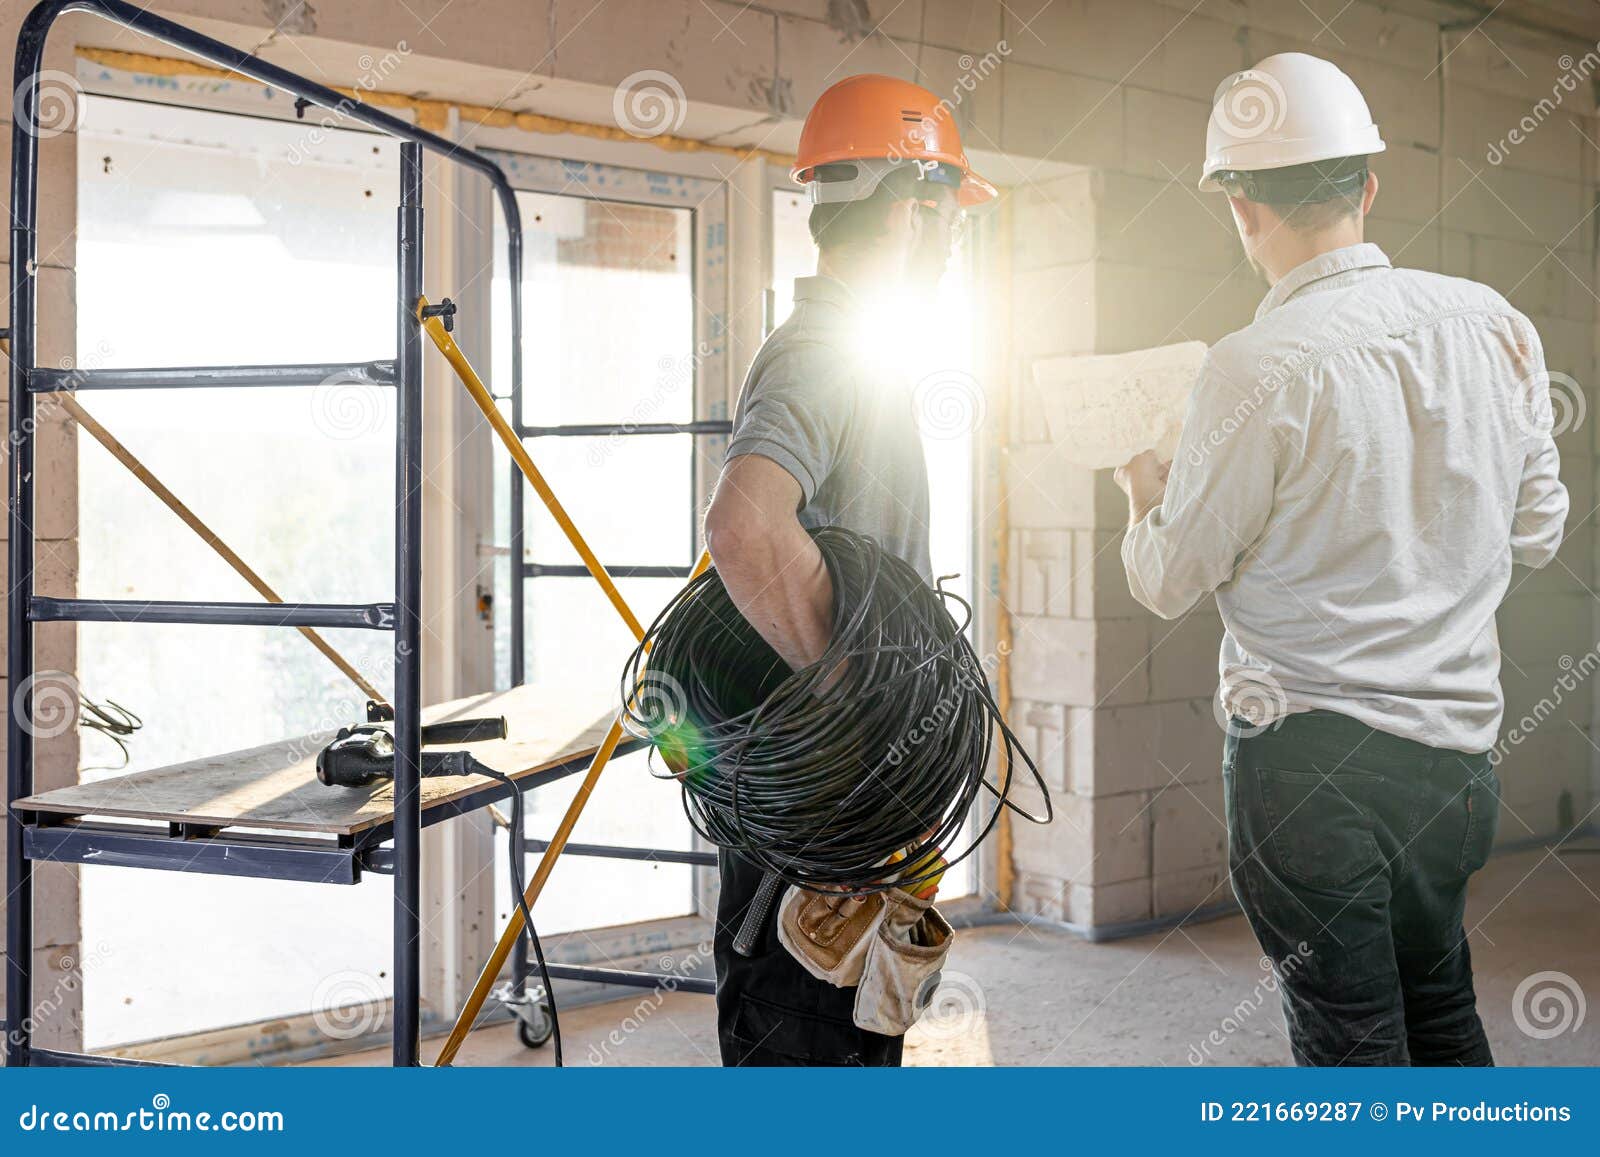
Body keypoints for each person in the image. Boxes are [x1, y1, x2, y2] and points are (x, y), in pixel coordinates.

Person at [1116, 52, 1569, 1066]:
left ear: (1239, 207)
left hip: (1308, 772)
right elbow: (1537, 531)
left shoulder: (1252, 366)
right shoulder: (1494, 322)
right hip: (1454, 768)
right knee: (1442, 1010)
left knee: (1351, 1047)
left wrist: (1145, 496)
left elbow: (1168, 579)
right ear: (1367, 185)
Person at [700, 73, 994, 1066]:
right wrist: (854, 707)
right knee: (808, 1048)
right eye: (949, 211)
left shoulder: (859, 348)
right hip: (816, 815)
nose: (954, 239)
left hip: (845, 809)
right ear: (913, 208)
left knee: (857, 1034)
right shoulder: (824, 351)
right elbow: (743, 529)